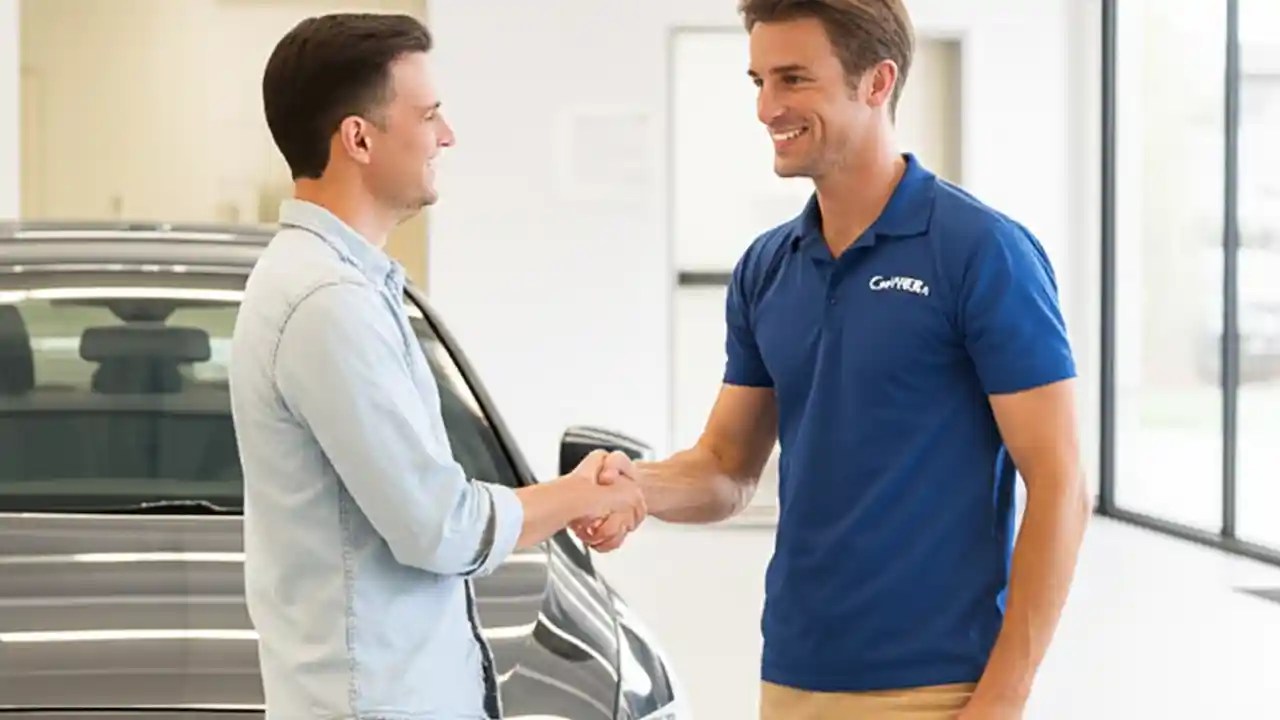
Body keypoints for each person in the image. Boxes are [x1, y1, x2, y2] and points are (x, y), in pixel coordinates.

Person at [576, 1, 1090, 718]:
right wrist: (633, 487)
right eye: (757, 80)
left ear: (877, 83)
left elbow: (1061, 484)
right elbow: (726, 467)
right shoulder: (767, 267)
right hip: (793, 675)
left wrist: (1001, 702)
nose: (765, 107)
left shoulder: (982, 252)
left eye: (792, 80)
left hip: (938, 688)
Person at [228, 13, 644, 720]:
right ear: (358, 138)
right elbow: (438, 526)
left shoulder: (344, 286)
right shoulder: (327, 302)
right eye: (429, 116)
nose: (446, 137)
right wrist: (579, 493)